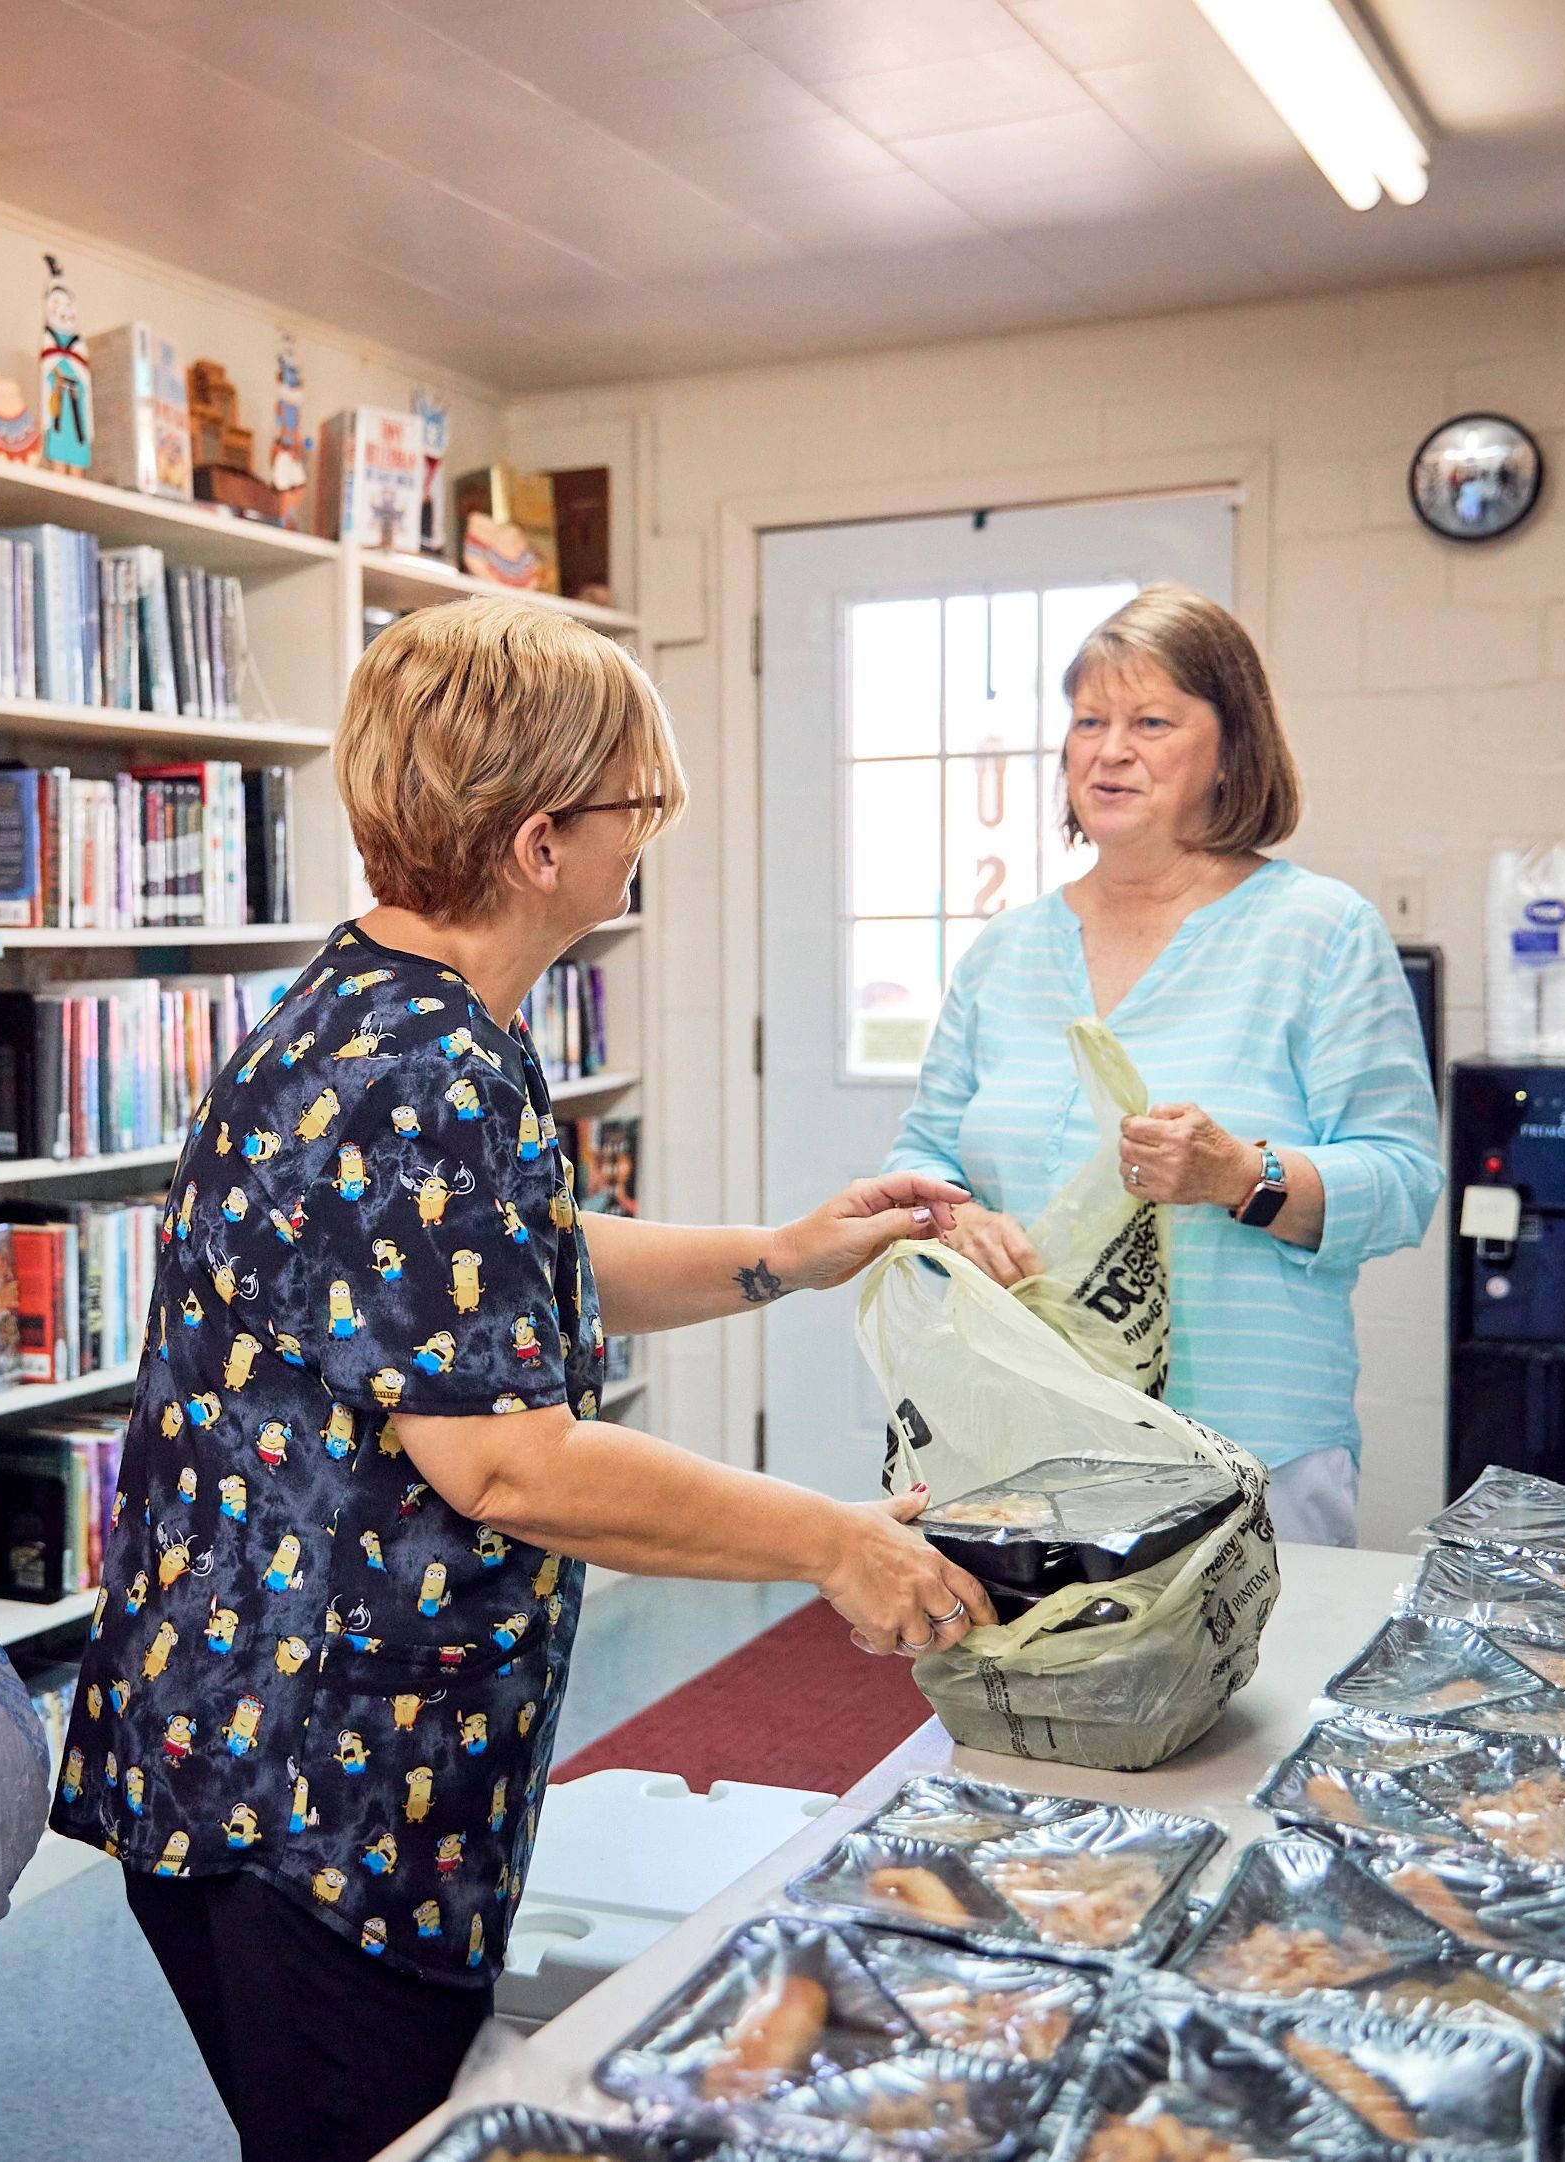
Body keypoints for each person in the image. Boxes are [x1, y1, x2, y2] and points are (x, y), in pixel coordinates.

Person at [50, 598, 990, 2162]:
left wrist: (781, 1253)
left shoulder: (375, 1007)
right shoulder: (429, 1068)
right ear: (541, 839)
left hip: (233, 1741)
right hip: (315, 1785)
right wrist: (834, 1539)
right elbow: (513, 1465)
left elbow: (481, 1274)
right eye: (635, 811)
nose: (647, 847)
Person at [886, 584, 1441, 1546]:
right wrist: (960, 1222)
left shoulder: (1319, 931)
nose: (1108, 749)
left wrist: (1241, 1175)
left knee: (1254, 1697)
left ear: (1231, 749)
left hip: (1245, 1439)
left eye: (1150, 721)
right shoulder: (1005, 951)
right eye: (1088, 721)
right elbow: (923, 1157)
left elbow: (1401, 1180)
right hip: (1029, 1433)